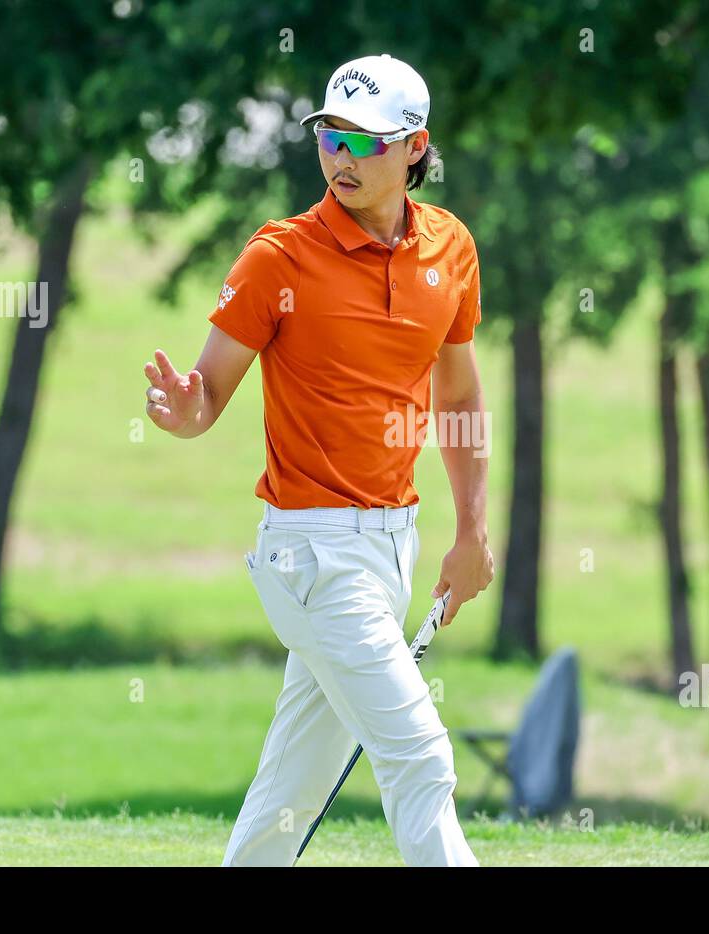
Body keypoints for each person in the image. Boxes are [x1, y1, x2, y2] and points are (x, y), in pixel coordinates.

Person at [142, 53, 492, 866]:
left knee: (293, 789)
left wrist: (472, 530)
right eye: (330, 135)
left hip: (391, 550)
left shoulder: (451, 249)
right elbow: (208, 395)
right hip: (310, 555)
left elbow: (463, 400)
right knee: (420, 756)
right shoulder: (280, 257)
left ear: (414, 147)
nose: (341, 157)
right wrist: (180, 409)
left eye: (365, 142)